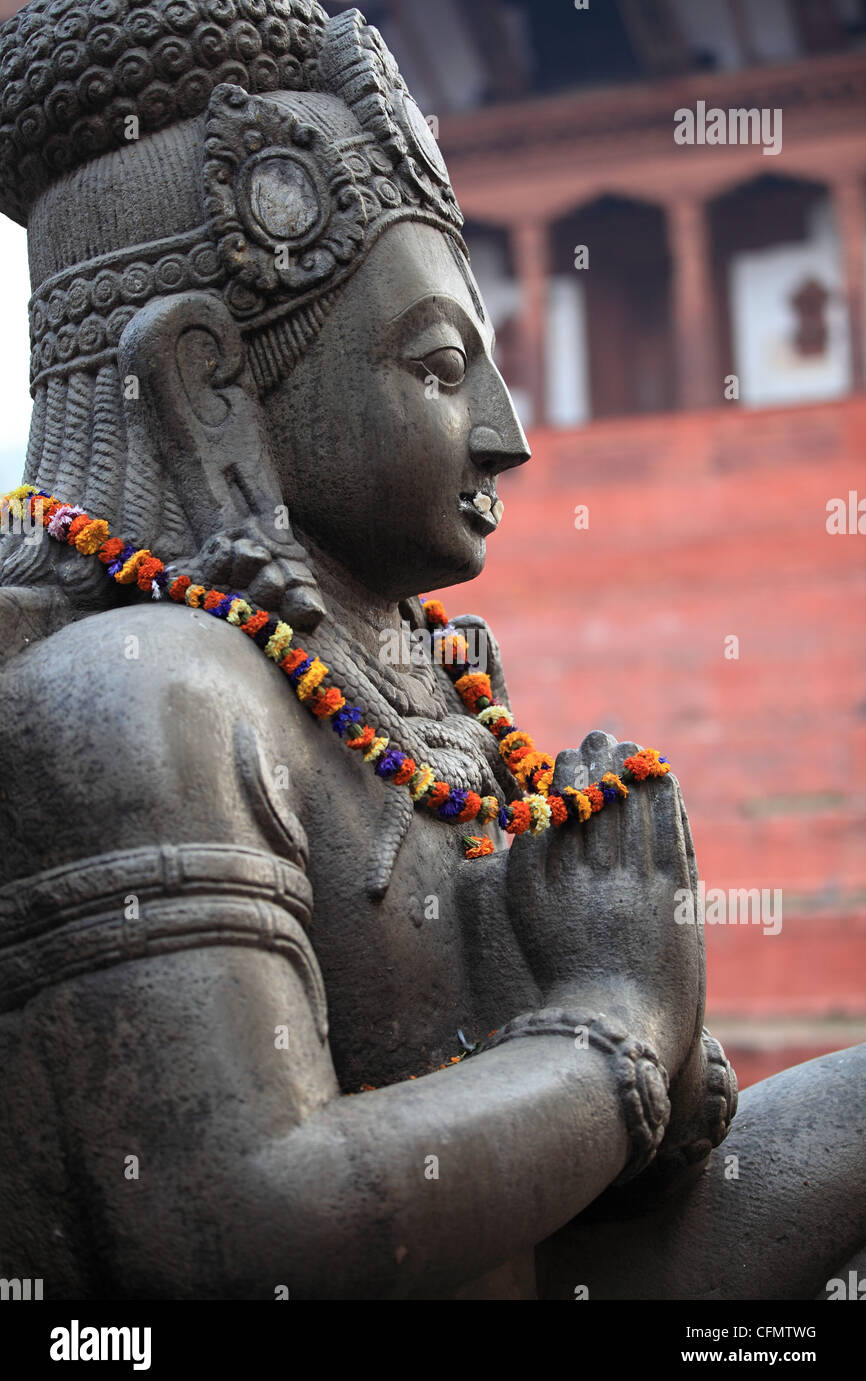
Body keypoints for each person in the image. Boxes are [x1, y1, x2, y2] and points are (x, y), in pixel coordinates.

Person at [0, 0, 862, 1300]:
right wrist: (613, 1032)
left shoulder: (430, 690)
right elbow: (248, 1235)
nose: (508, 435)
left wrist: (655, 1073)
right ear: (210, 380)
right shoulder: (135, 697)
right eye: (441, 365)